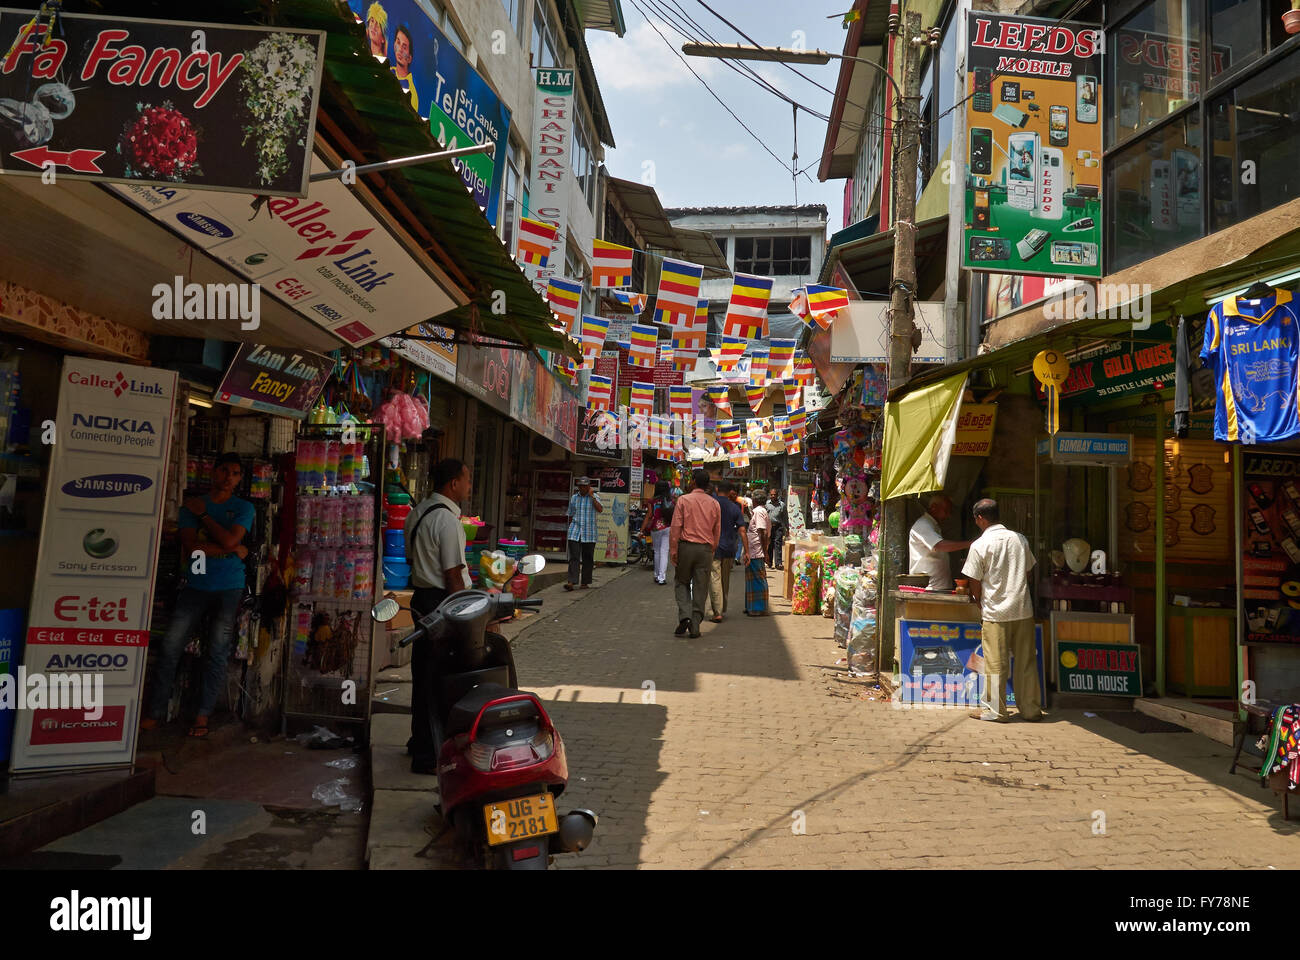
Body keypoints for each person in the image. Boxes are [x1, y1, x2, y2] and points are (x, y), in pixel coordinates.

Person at [143, 452, 252, 737]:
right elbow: (193, 548)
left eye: (236, 473)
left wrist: (205, 518)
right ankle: (155, 712)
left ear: (239, 479)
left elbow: (230, 540)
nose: (229, 477)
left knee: (216, 652)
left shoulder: (241, 508)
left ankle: (202, 716)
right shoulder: (188, 507)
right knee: (170, 648)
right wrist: (230, 548)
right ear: (213, 472)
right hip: (195, 584)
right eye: (224, 470)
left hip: (229, 586)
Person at [403, 458, 472, 772]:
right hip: (442, 603)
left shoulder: (417, 513)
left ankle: (418, 741)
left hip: (421, 599)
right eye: (466, 481)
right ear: (453, 483)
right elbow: (453, 575)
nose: (469, 487)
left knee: (423, 673)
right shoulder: (447, 521)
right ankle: (428, 754)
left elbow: (408, 557)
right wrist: (466, 615)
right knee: (441, 678)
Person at [961, 499, 1043, 723]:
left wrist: (979, 600)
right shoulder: (1020, 539)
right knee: (1026, 662)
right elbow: (1027, 572)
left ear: (980, 518)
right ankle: (1031, 710)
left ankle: (996, 711)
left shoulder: (979, 545)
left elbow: (973, 580)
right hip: (1022, 609)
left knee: (996, 663)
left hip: (996, 613)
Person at [669, 468, 720, 638]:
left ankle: (685, 615)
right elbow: (716, 530)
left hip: (686, 547)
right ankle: (696, 623)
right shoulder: (714, 503)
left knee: (681, 582)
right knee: (701, 586)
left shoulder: (683, 500)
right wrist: (712, 549)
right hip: (705, 549)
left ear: (694, 482)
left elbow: (676, 526)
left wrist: (674, 549)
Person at [908, 494, 972, 591]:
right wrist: (970, 544)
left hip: (937, 587)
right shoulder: (923, 524)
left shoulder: (932, 525)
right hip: (930, 588)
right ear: (934, 507)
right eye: (946, 511)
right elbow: (940, 545)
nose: (947, 515)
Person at [708, 482, 745, 623]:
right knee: (725, 580)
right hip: (730, 548)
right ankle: (722, 608)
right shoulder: (734, 507)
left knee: (714, 578)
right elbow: (742, 530)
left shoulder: (712, 504)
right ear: (730, 492)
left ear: (717, 489)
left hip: (714, 546)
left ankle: (717, 611)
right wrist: (746, 551)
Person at [564, 476, 602, 590]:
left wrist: (592, 497)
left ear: (589, 487)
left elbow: (600, 509)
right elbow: (570, 513)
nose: (582, 488)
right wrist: (570, 527)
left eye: (584, 486)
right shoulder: (574, 498)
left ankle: (585, 582)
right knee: (574, 557)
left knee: (588, 558)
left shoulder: (595, 497)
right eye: (580, 486)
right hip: (575, 531)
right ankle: (571, 581)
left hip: (590, 532)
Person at [641, 481, 674, 585]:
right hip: (668, 527)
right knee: (664, 552)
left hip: (656, 528)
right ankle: (662, 578)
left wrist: (642, 529)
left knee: (657, 552)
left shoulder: (652, 501)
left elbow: (649, 515)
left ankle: (656, 575)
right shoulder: (671, 500)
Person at [744, 496, 770, 616]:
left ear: (755, 501)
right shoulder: (758, 511)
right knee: (752, 578)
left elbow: (763, 532)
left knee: (757, 579)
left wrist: (765, 552)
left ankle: (758, 608)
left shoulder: (759, 511)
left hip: (756, 551)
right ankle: (751, 605)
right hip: (753, 550)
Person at [390, 23, 418, 111]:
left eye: (404, 47)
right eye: (398, 42)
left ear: (409, 58)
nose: (400, 49)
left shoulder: (411, 93)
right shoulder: (387, 70)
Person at [765, 487, 786, 568]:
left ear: (777, 495)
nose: (773, 496)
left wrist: (787, 528)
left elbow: (785, 517)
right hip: (769, 527)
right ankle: (769, 562)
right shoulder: (767, 504)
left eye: (774, 495)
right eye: (771, 495)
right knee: (770, 544)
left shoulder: (782, 505)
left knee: (778, 544)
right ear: (770, 495)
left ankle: (778, 563)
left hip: (778, 527)